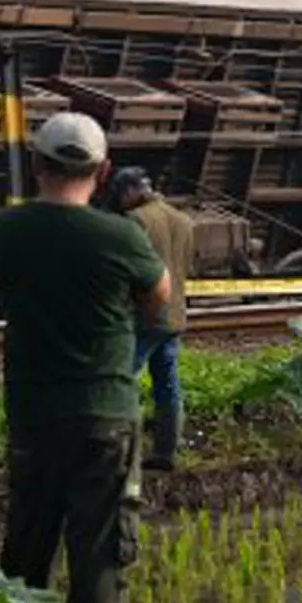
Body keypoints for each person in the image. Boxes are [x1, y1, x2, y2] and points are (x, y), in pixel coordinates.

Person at [0, 113, 171, 603]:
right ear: (103, 170)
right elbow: (158, 296)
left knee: (28, 542)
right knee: (97, 547)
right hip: (105, 414)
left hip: (32, 413)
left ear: (37, 165)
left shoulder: (3, 232)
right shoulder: (120, 237)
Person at [105, 167, 192, 472]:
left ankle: (119, 453)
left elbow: (126, 272)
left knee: (122, 381)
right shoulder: (183, 220)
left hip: (145, 316)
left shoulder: (135, 221)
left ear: (131, 191)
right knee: (167, 384)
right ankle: (166, 451)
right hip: (175, 315)